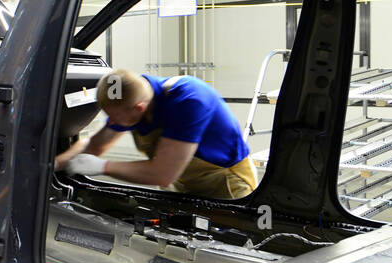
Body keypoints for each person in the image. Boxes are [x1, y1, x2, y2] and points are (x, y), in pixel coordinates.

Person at [56, 68, 256, 200]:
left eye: (115, 118)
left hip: (225, 186)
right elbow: (96, 145)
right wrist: (55, 164)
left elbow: (163, 174)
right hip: (183, 184)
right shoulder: (131, 98)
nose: (112, 123)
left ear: (140, 108)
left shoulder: (189, 101)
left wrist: (103, 166)